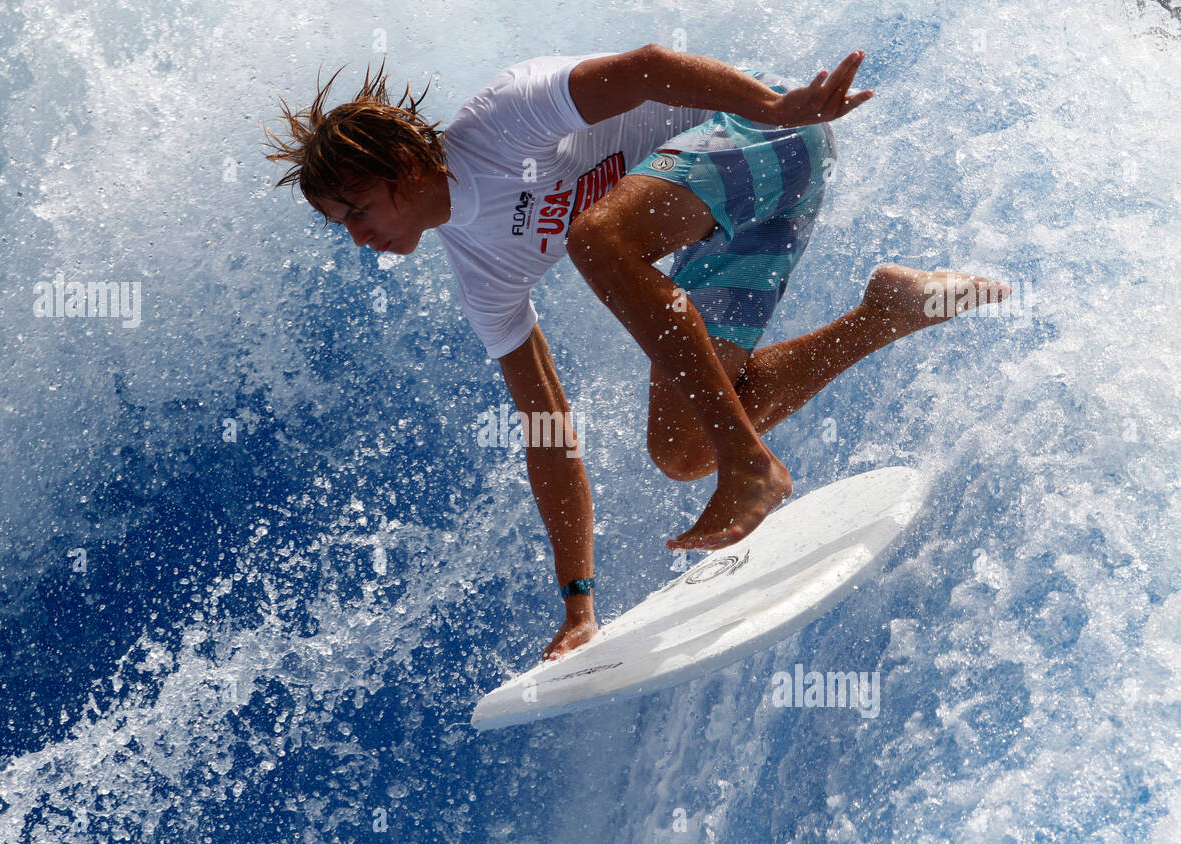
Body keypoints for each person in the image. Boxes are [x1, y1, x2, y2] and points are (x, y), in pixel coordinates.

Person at [264, 46, 1010, 661]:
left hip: (766, 129)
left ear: (404, 161)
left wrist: (779, 106)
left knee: (596, 236)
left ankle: (751, 465)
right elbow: (548, 429)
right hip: (742, 215)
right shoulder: (481, 272)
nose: (359, 237)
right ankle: (883, 316)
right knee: (682, 451)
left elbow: (649, 66)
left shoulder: (501, 120)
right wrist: (577, 605)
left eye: (358, 209)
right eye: (342, 225)